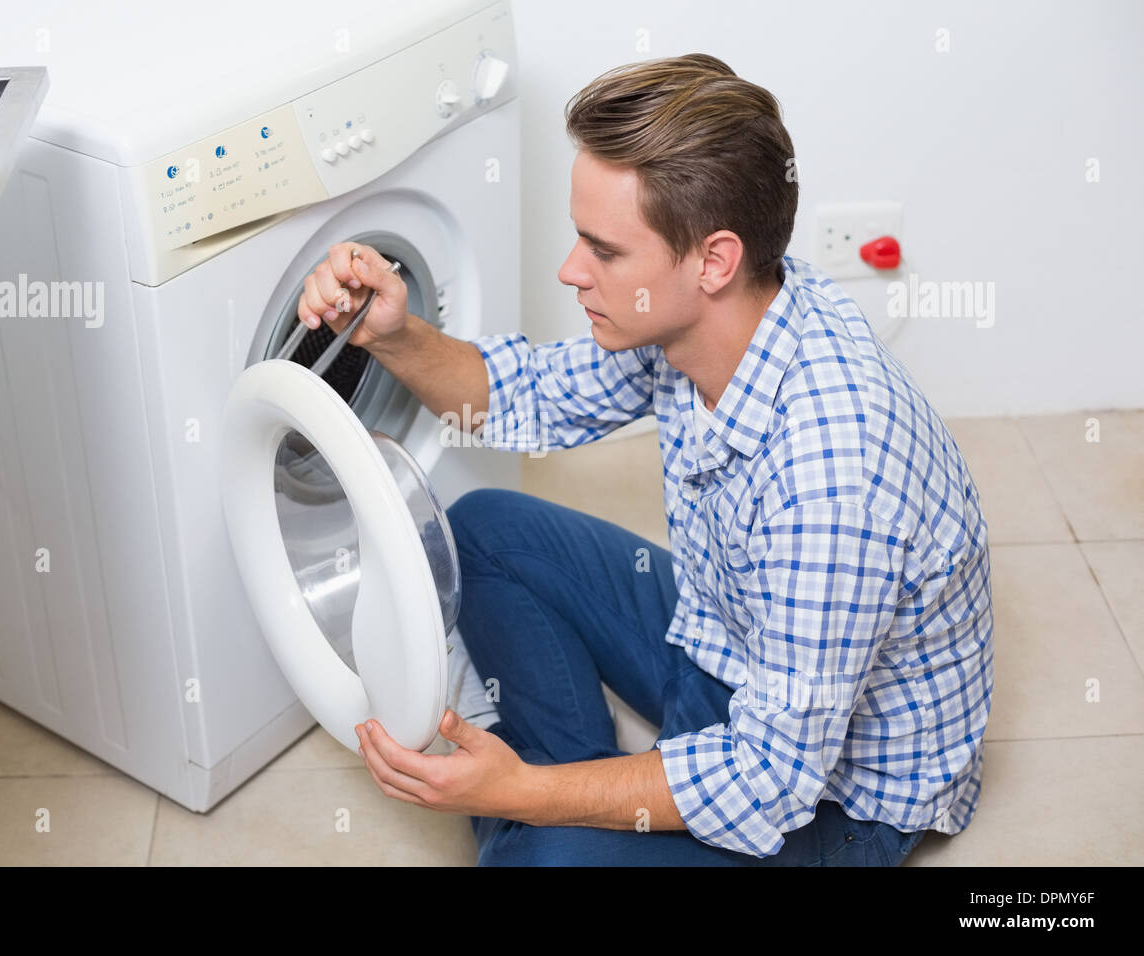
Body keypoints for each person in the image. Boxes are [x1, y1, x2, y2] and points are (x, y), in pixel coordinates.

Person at [294, 53, 993, 866]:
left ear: (714, 260)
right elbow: (531, 396)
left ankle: (532, 813)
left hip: (836, 791)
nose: (570, 271)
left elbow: (768, 778)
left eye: (604, 250)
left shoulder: (832, 480)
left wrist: (516, 795)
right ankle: (556, 800)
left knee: (538, 856)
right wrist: (394, 334)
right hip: (731, 635)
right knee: (483, 531)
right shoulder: (716, 316)